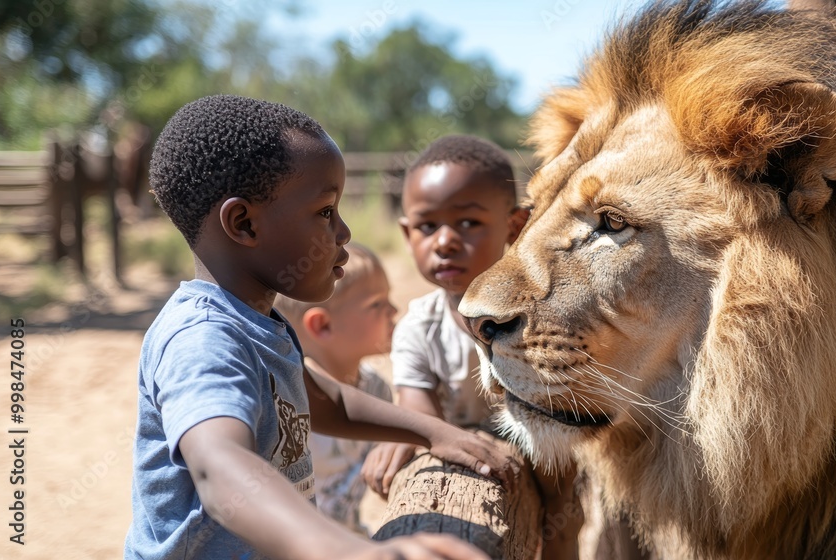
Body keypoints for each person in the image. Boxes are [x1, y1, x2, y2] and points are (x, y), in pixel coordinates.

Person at [124, 95, 515, 560]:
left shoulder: (262, 324)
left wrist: (435, 432)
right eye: (326, 211)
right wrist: (348, 552)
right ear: (244, 223)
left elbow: (330, 404)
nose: (345, 232)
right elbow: (220, 468)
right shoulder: (204, 338)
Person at [361, 134, 583, 559]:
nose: (444, 241)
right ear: (407, 235)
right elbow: (417, 407)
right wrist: (406, 431)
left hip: (540, 444)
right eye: (427, 227)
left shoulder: (536, 318)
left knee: (562, 512)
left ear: (516, 227)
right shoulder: (418, 328)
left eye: (468, 223)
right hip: (458, 442)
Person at [274, 243, 397, 534]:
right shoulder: (291, 405)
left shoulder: (376, 390)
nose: (394, 310)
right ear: (323, 326)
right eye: (378, 303)